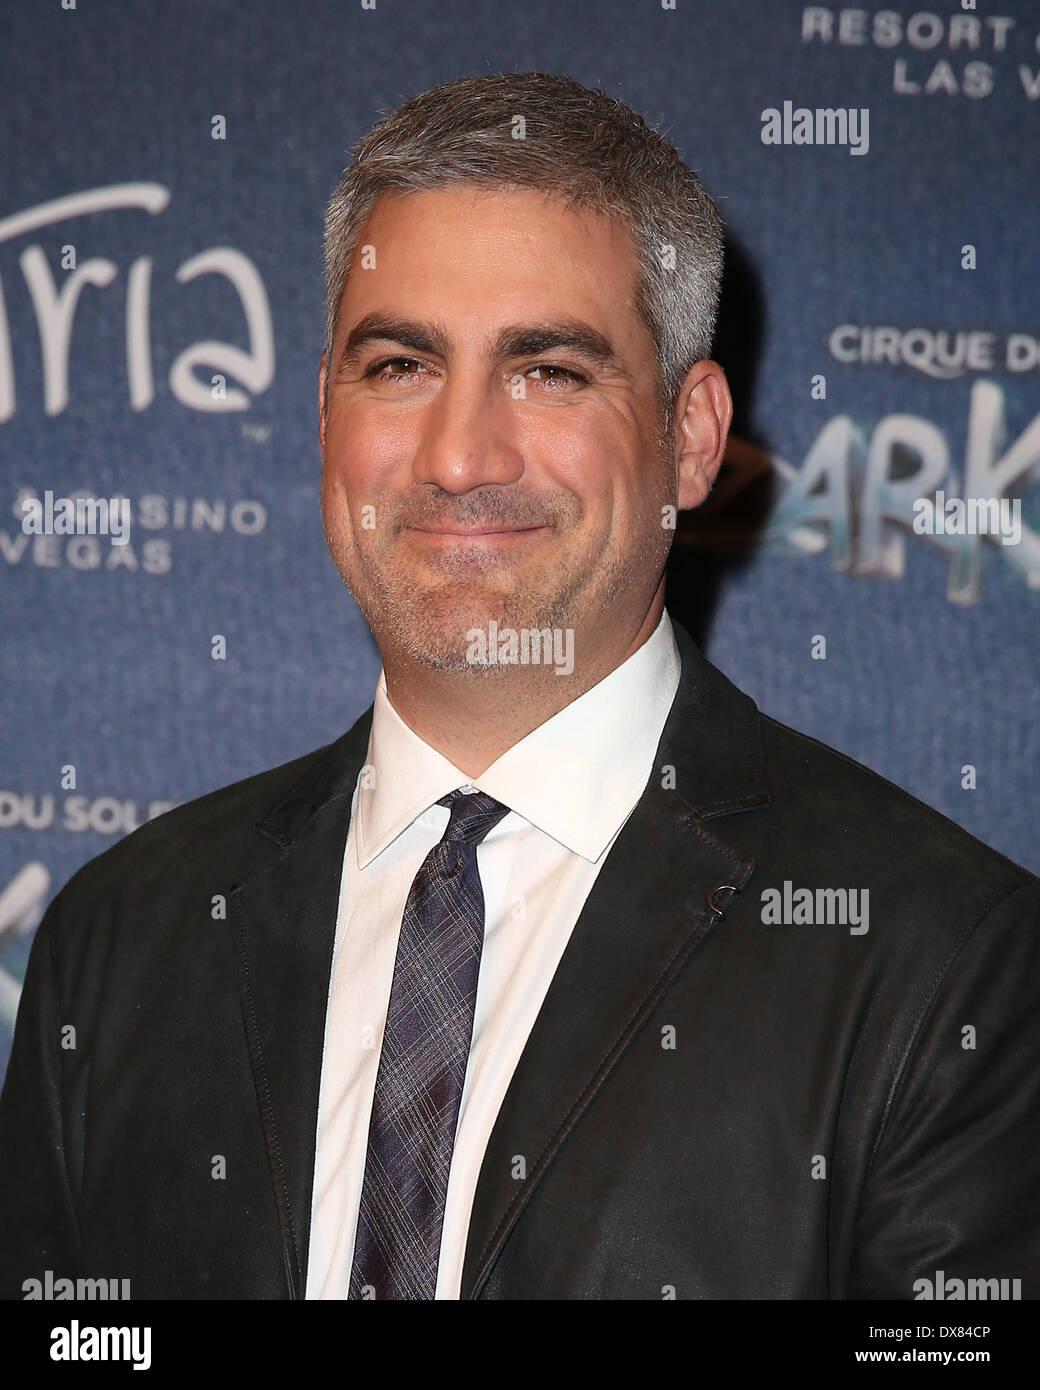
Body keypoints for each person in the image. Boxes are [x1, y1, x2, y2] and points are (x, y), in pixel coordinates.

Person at [1, 71, 1037, 1302]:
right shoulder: (121, 939)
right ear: (321, 413)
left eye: (547, 369)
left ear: (691, 437)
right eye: (398, 364)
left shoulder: (942, 961)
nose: (457, 457)